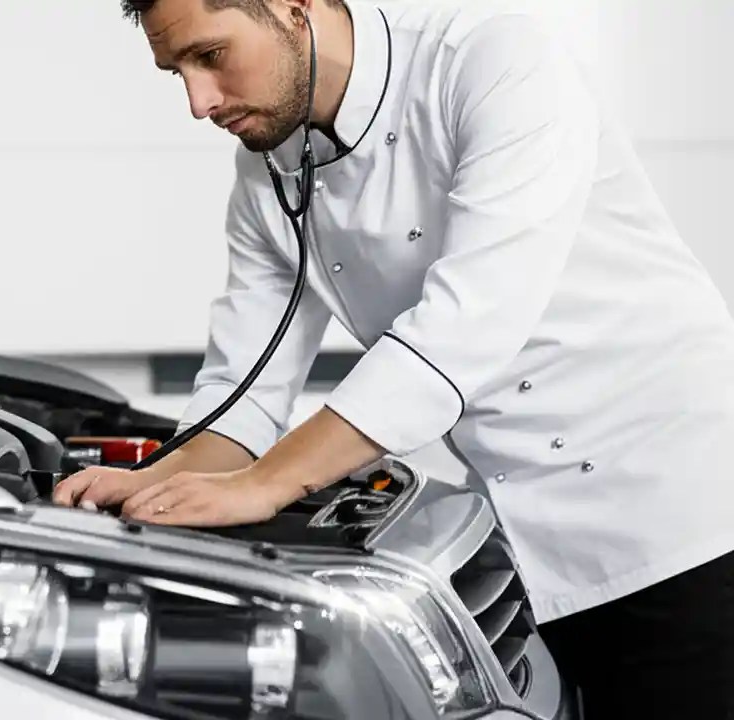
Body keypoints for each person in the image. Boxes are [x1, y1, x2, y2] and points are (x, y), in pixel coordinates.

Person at [52, 0, 734, 716]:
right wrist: (150, 487)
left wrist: (265, 486)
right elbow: (243, 390)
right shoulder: (271, 169)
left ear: (294, 7)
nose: (198, 102)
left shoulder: (492, 63)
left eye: (211, 56)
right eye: (176, 71)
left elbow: (463, 329)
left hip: (681, 514)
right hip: (529, 543)